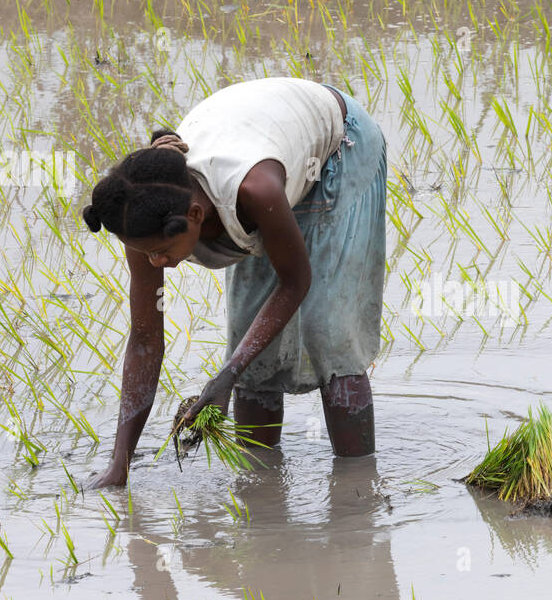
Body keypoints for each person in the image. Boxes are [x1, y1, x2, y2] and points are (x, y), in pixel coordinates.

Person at [79, 77, 386, 490]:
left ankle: (357, 490)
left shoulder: (253, 190)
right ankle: (261, 492)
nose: (158, 263)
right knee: (251, 348)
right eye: (147, 254)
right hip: (261, 138)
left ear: (195, 215)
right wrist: (121, 463)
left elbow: (295, 282)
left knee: (328, 336)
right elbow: (145, 340)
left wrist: (224, 376)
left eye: (163, 253)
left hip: (336, 146)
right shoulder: (142, 217)